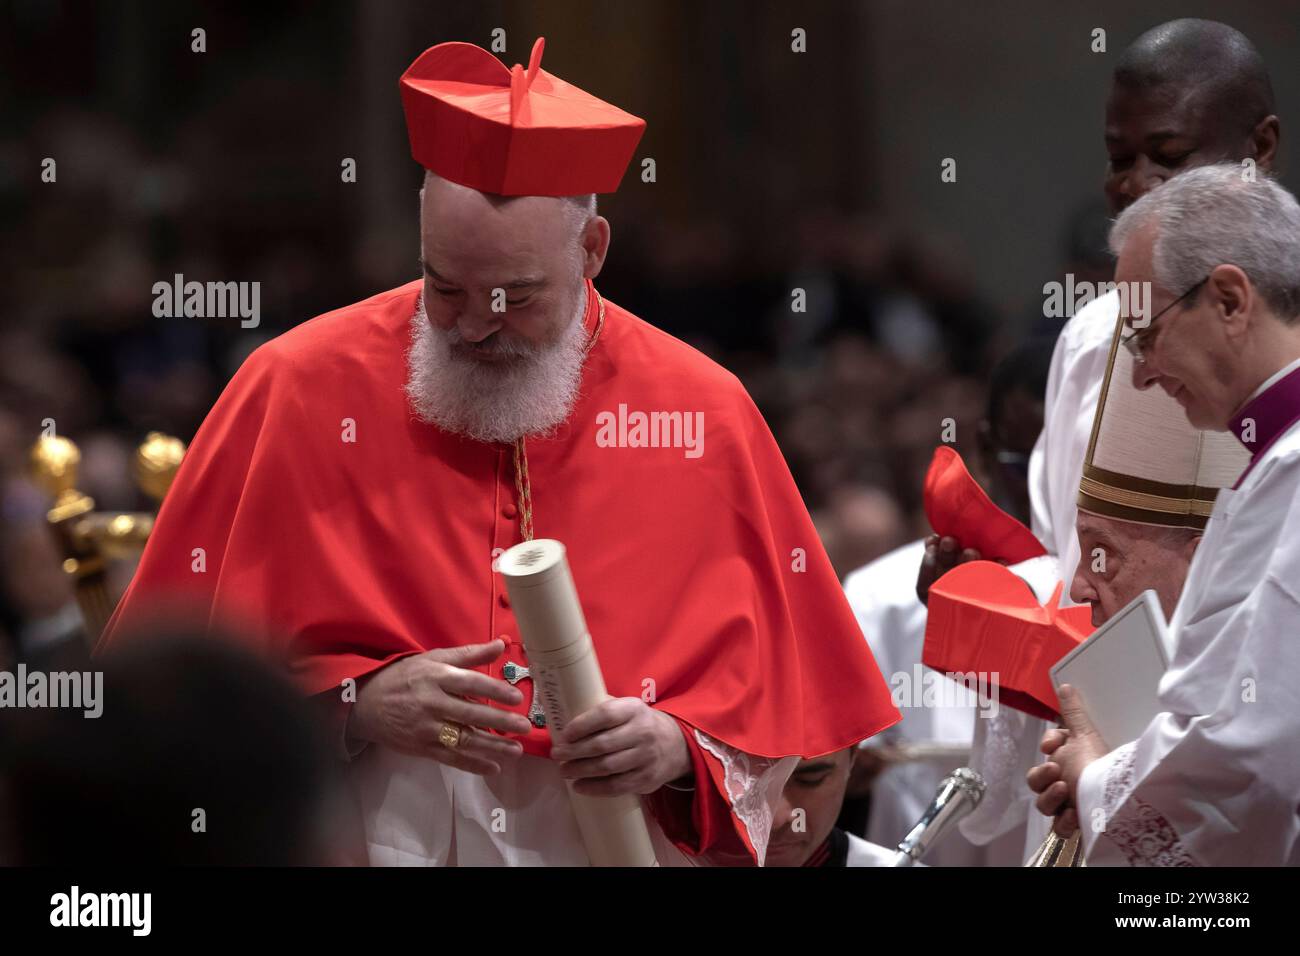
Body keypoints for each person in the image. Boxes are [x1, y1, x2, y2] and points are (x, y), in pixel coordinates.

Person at [95, 37, 900, 867]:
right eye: (445, 287)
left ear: (591, 254)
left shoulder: (701, 410)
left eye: (515, 297)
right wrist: (357, 700)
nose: (476, 323)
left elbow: (789, 731)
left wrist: (674, 745)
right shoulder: (295, 386)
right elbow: (169, 699)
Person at [943, 17, 1283, 863]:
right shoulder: (1095, 338)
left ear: (1261, 149)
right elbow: (1072, 570)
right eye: (1118, 157)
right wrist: (999, 592)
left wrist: (1116, 778)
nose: (1137, 185)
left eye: (1169, 157)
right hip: (1119, 767)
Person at [1029, 164, 1300, 865]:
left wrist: (1097, 778)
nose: (1144, 372)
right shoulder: (1269, 460)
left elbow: (1250, 749)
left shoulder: (1292, 469)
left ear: (1231, 300)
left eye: (1146, 335)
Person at [846, 339, 1050, 866]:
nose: (1044, 484)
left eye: (1066, 461)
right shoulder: (881, 597)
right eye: (1024, 460)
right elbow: (832, 757)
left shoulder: (1110, 588)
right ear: (984, 447)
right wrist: (847, 763)